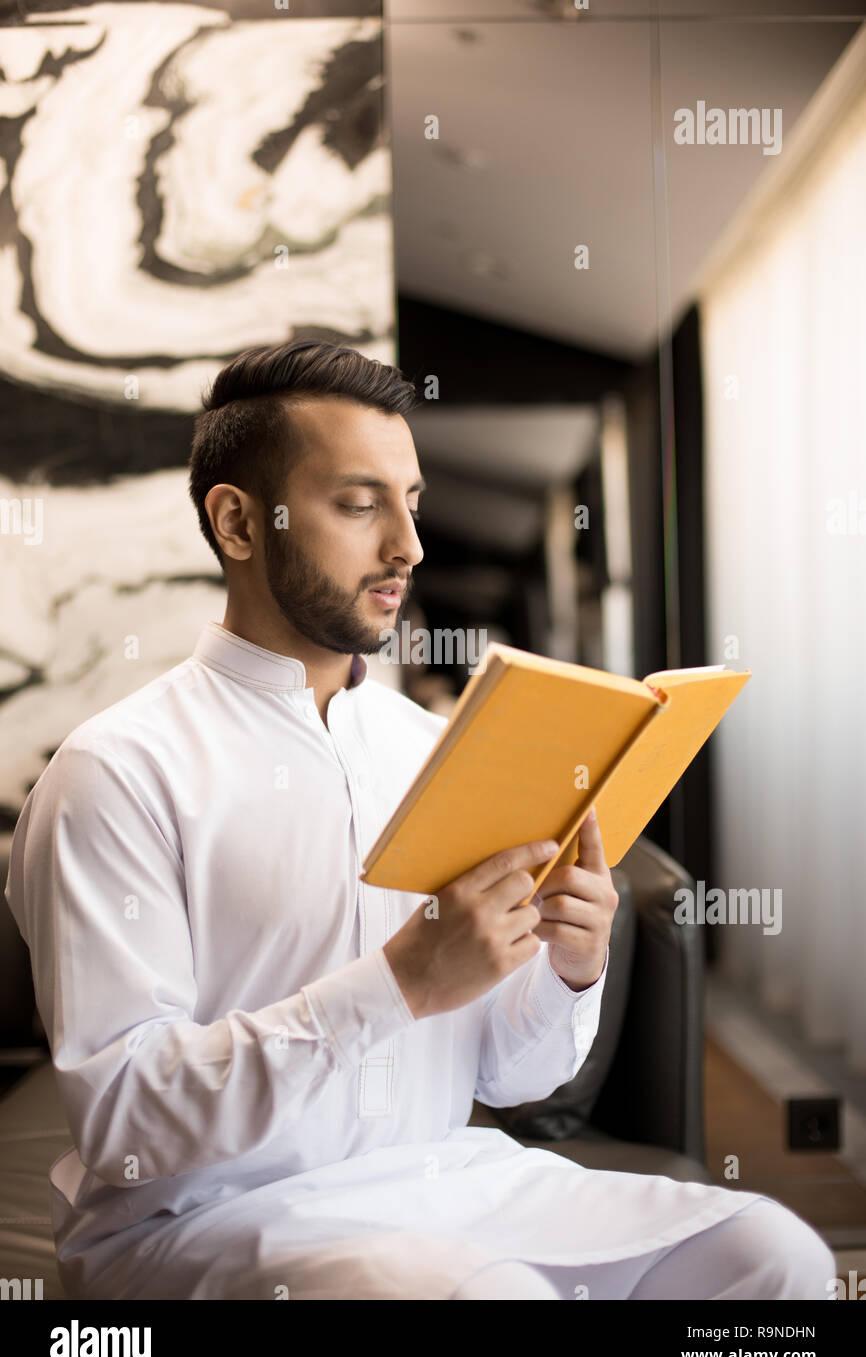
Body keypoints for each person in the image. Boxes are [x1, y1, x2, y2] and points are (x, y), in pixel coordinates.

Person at [4, 340, 836, 1301]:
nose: (409, 545)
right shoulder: (117, 772)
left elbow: (512, 1077)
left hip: (443, 1182)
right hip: (205, 1220)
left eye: (412, 501)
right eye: (360, 505)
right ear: (237, 521)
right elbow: (127, 1124)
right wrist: (398, 981)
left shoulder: (434, 747)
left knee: (777, 1259)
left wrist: (572, 963)